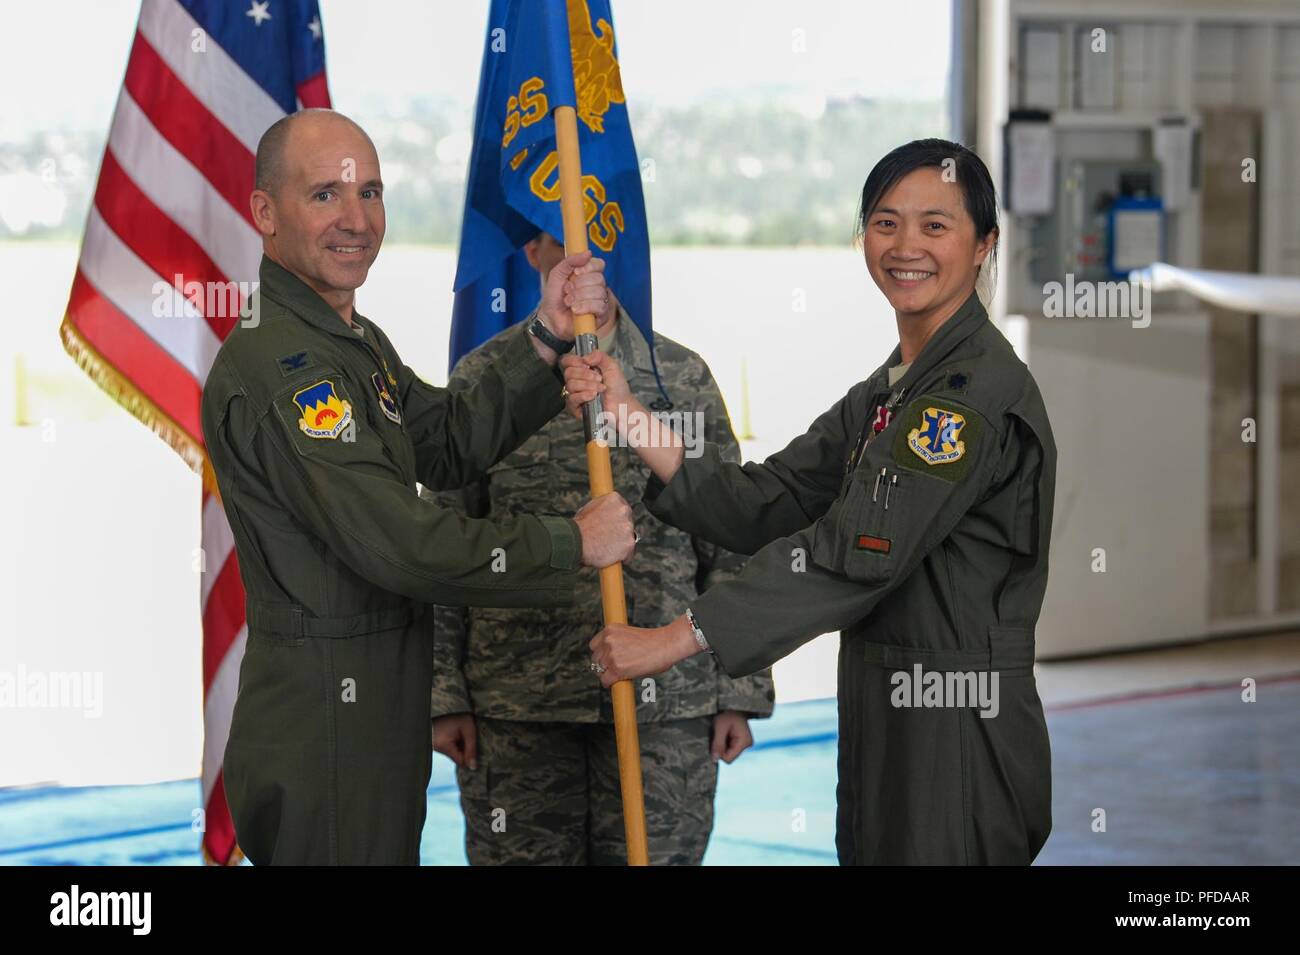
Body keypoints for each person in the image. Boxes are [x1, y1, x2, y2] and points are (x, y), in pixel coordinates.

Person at [562, 139, 1056, 865]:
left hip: (954, 728)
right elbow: (766, 498)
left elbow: (851, 555)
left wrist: (670, 641)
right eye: (885, 223)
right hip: (890, 710)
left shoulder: (964, 398)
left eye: (935, 225)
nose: (906, 245)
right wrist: (626, 408)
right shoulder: (896, 387)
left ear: (985, 245)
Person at [200, 109, 636, 865]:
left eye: (369, 192)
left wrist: (545, 333)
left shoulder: (348, 341)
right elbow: (402, 543)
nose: (357, 219)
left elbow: (446, 438)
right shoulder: (286, 368)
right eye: (326, 196)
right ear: (264, 212)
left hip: (368, 713)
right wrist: (571, 542)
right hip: (327, 725)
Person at [427, 232, 774, 866]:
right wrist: (443, 696)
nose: (586, 260)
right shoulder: (486, 379)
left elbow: (733, 535)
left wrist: (739, 690)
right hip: (517, 704)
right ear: (532, 250)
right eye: (564, 241)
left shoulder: (681, 378)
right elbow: (447, 542)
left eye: (603, 237)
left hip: (666, 706)